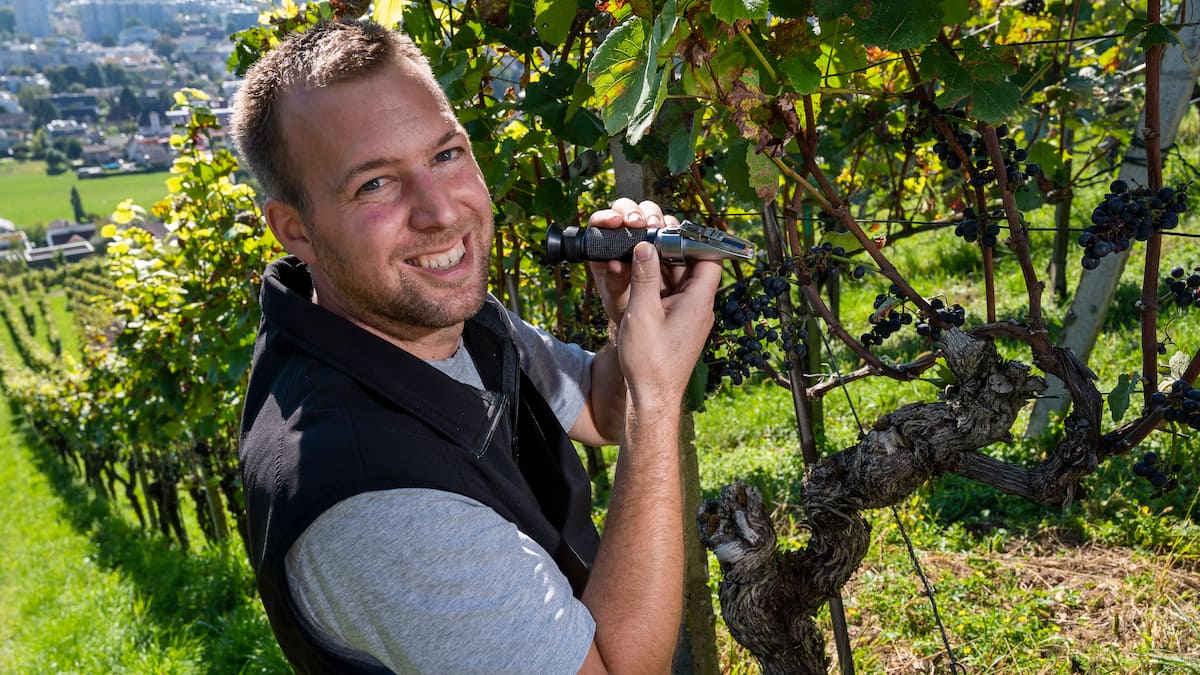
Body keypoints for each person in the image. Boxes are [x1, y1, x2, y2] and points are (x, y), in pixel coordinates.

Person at [232, 19, 722, 674]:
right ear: (296, 228)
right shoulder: (376, 507)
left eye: (446, 154)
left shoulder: (421, 318)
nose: (441, 212)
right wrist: (657, 401)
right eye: (375, 182)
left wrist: (633, 320)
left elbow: (600, 411)